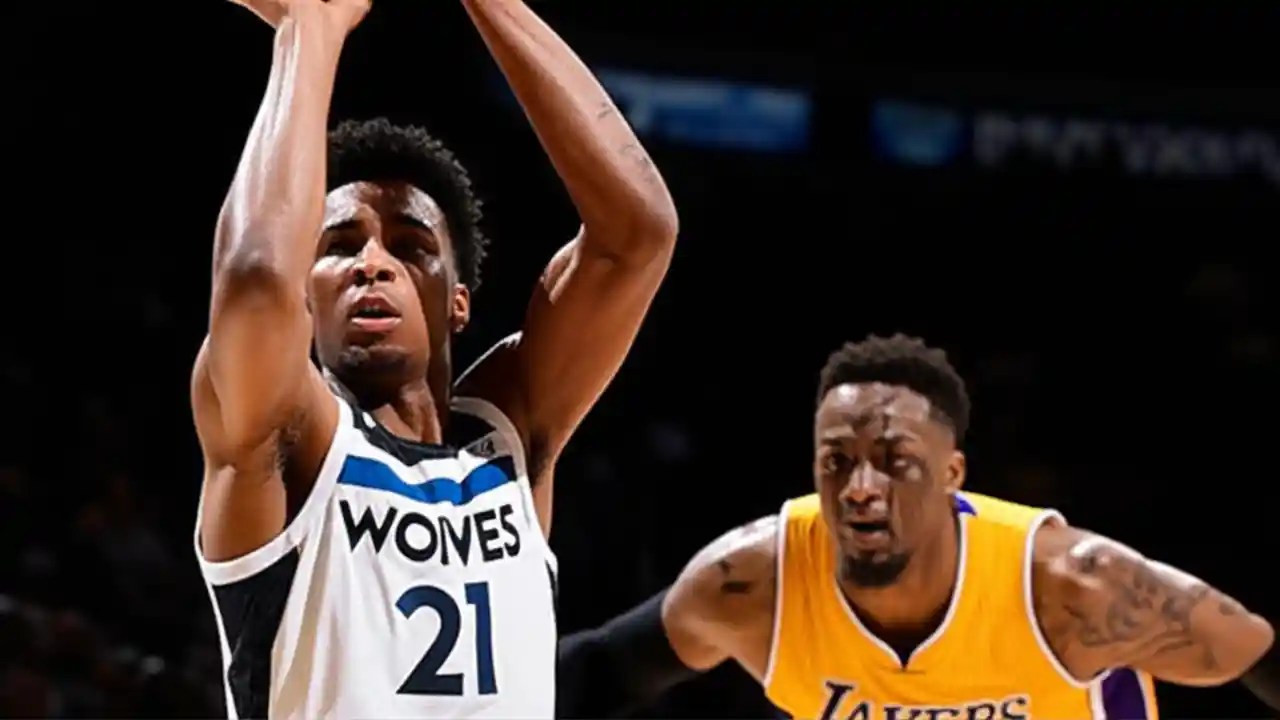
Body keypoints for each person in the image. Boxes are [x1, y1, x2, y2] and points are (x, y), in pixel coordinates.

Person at [192, 0, 678, 717]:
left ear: (457, 302)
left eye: (410, 248)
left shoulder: (508, 435)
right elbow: (258, 278)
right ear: (307, 295)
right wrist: (312, 26)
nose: (371, 265)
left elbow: (637, 233)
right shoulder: (292, 440)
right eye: (339, 247)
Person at [558, 334, 1279, 719]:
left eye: (895, 462)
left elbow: (1252, 649)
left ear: (951, 474)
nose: (861, 488)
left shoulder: (1072, 585)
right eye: (837, 461)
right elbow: (599, 674)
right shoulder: (757, 582)